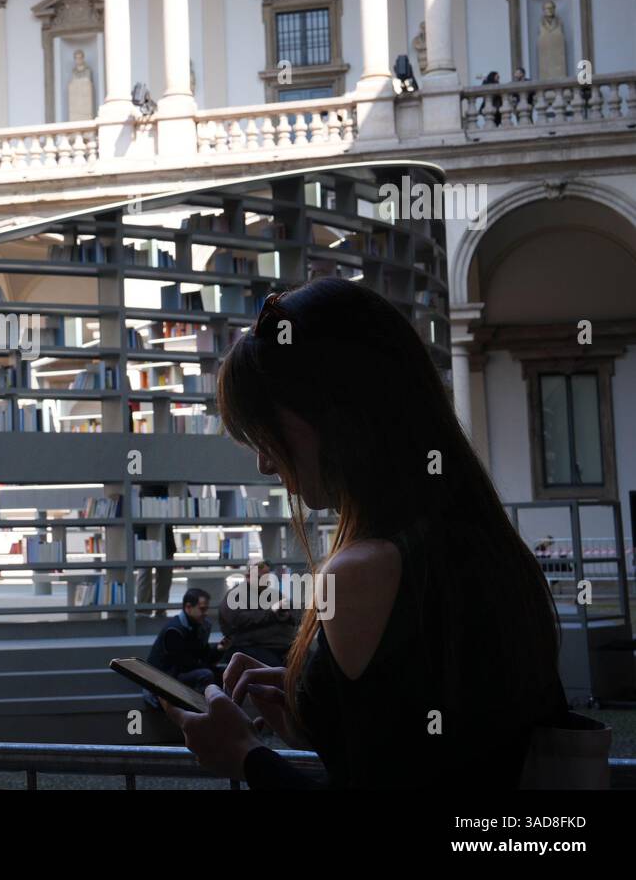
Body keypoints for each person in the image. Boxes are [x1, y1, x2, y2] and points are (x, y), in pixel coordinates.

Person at [161, 278, 567, 789]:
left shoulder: (365, 572)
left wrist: (244, 757)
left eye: (267, 432)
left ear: (330, 413)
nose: (266, 463)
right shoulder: (487, 546)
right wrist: (324, 712)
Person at [142, 588, 219, 710]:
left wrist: (220, 649)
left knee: (216, 672)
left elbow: (203, 655)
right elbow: (184, 663)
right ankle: (199, 713)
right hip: (162, 681)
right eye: (202, 609)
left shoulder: (198, 625)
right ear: (188, 607)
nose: (206, 613)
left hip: (177, 673)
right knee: (206, 674)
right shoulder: (175, 630)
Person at [218, 559, 297, 668]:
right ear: (248, 577)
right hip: (250, 647)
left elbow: (294, 614)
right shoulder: (235, 596)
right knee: (275, 668)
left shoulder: (274, 594)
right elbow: (238, 620)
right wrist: (271, 612)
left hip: (282, 645)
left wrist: (286, 615)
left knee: (309, 662)